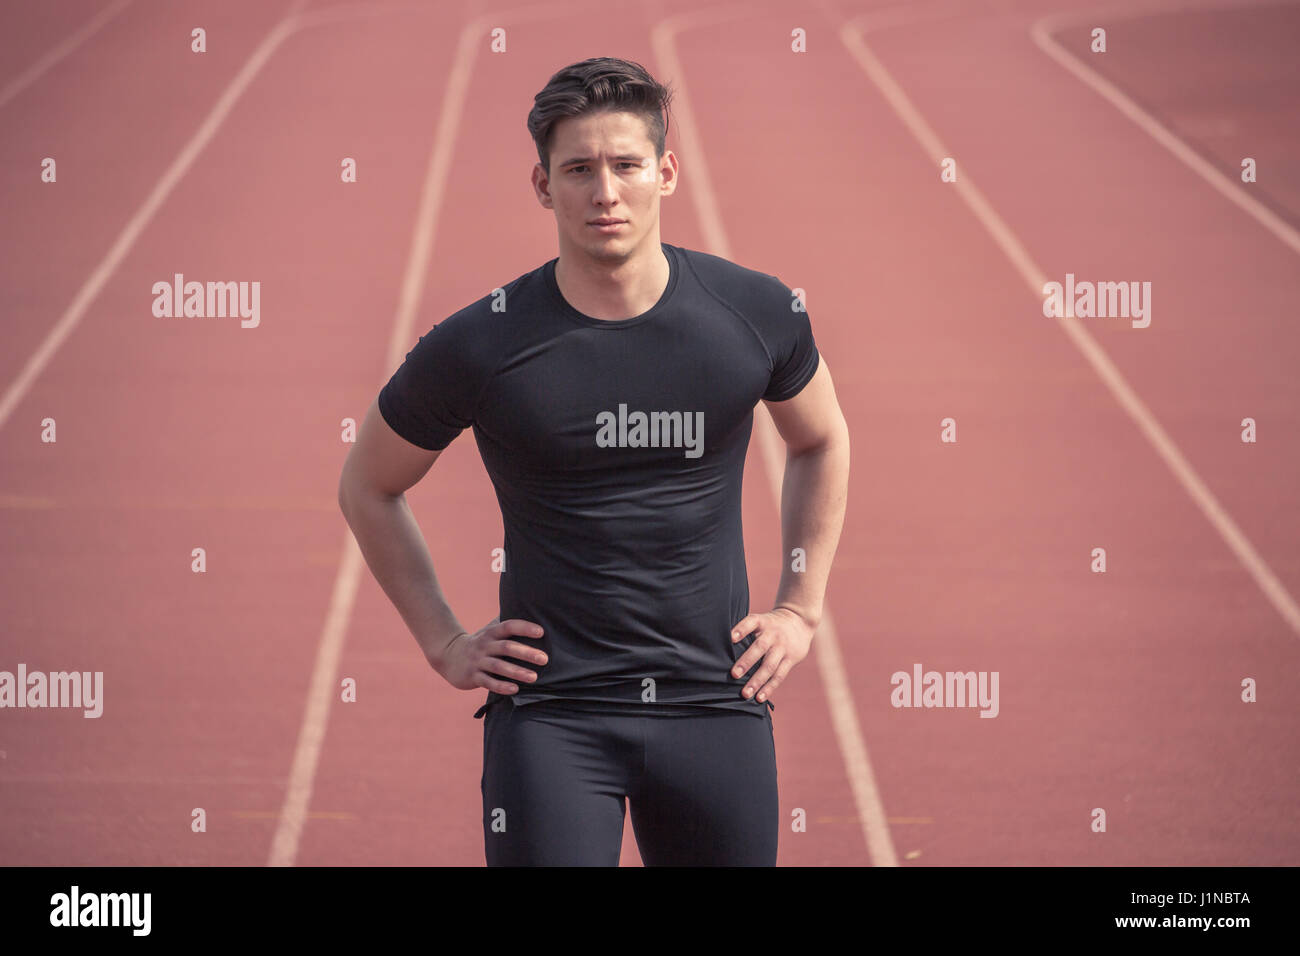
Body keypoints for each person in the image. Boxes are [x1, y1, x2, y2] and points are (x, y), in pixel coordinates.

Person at [338, 57, 850, 866]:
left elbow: (820, 439)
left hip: (716, 703)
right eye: (578, 169)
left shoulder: (752, 314)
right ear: (542, 185)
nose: (604, 192)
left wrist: (801, 608)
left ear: (665, 173)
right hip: (553, 719)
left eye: (625, 166)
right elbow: (368, 485)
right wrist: (445, 642)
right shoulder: (482, 344)